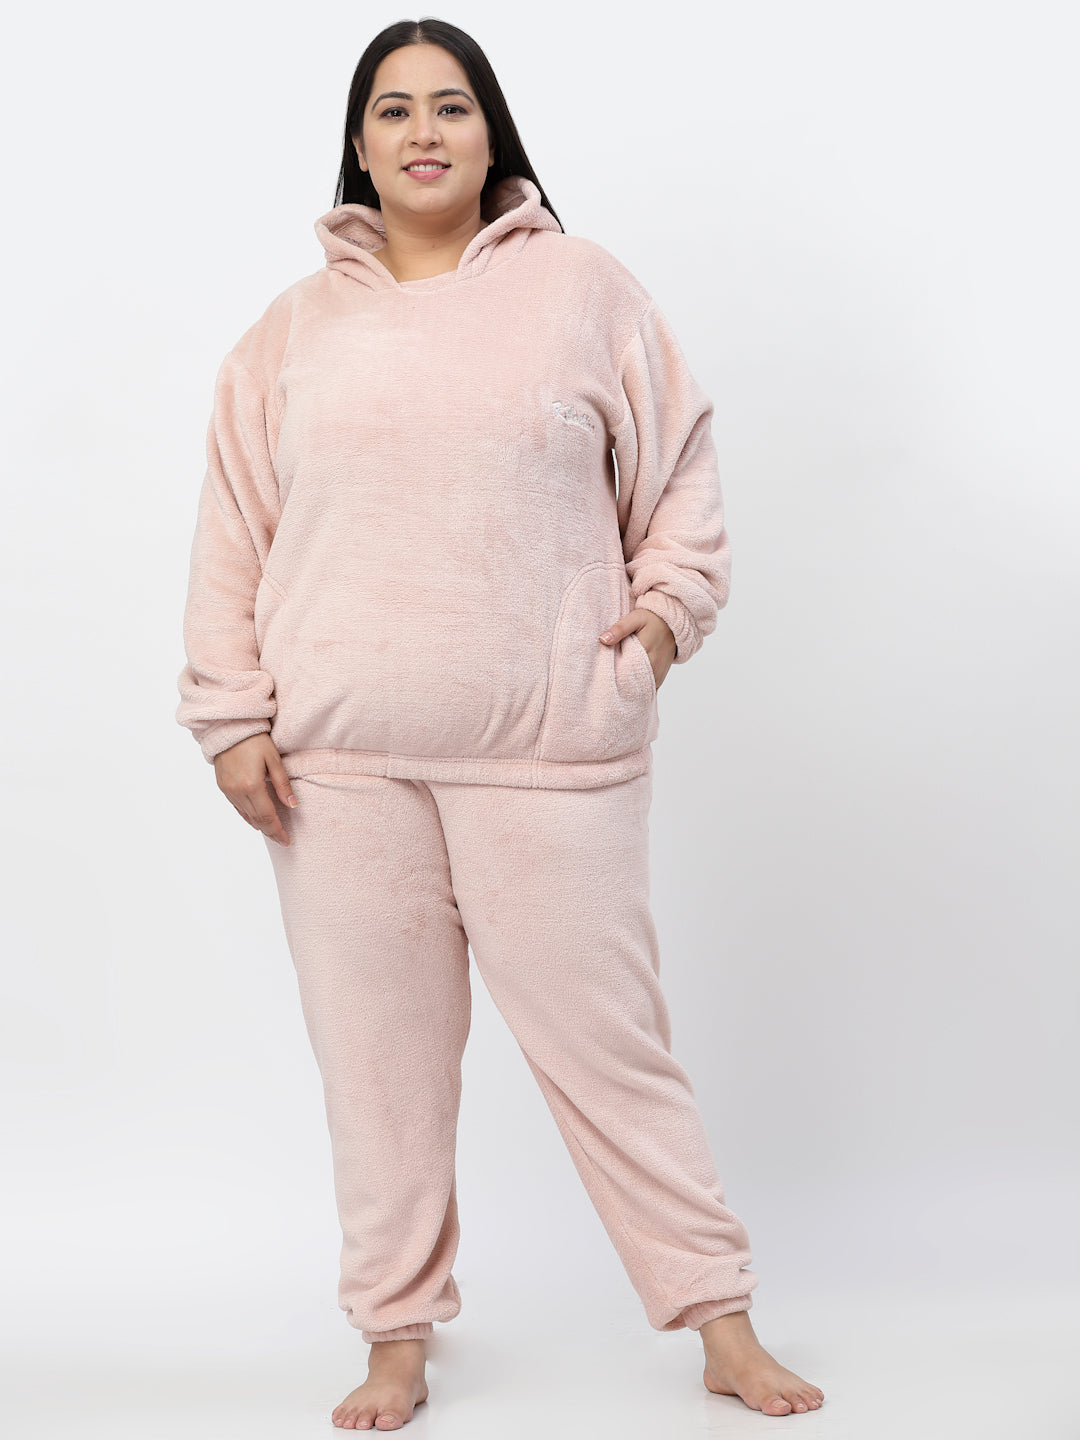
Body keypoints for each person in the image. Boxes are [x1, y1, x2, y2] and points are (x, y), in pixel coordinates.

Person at [175, 17, 825, 1432]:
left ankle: (719, 1321)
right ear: (360, 145)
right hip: (339, 769)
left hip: (552, 752)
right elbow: (233, 528)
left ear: (491, 133)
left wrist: (663, 623)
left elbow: (682, 473)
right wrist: (229, 714)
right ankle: (395, 1337)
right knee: (378, 1074)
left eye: (452, 106)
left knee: (612, 1055)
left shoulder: (585, 290)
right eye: (395, 108)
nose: (424, 131)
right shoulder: (291, 330)